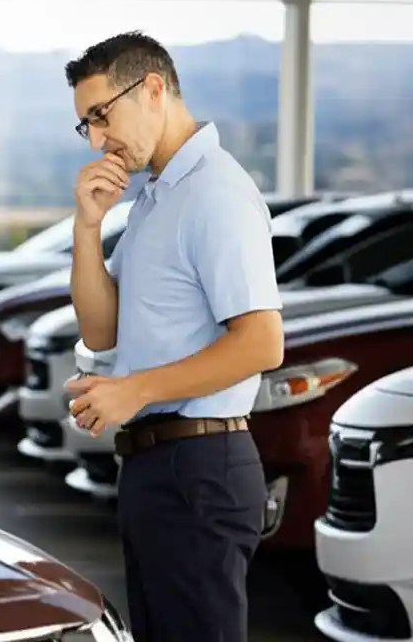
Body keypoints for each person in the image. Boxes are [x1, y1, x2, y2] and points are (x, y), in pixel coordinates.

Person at [61, 31, 285, 641]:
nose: (99, 139)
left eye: (102, 115)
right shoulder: (159, 197)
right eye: (87, 126)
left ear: (153, 88)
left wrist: (135, 391)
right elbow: (102, 329)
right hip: (159, 468)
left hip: (200, 469)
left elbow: (262, 342)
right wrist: (88, 227)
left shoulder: (216, 191)